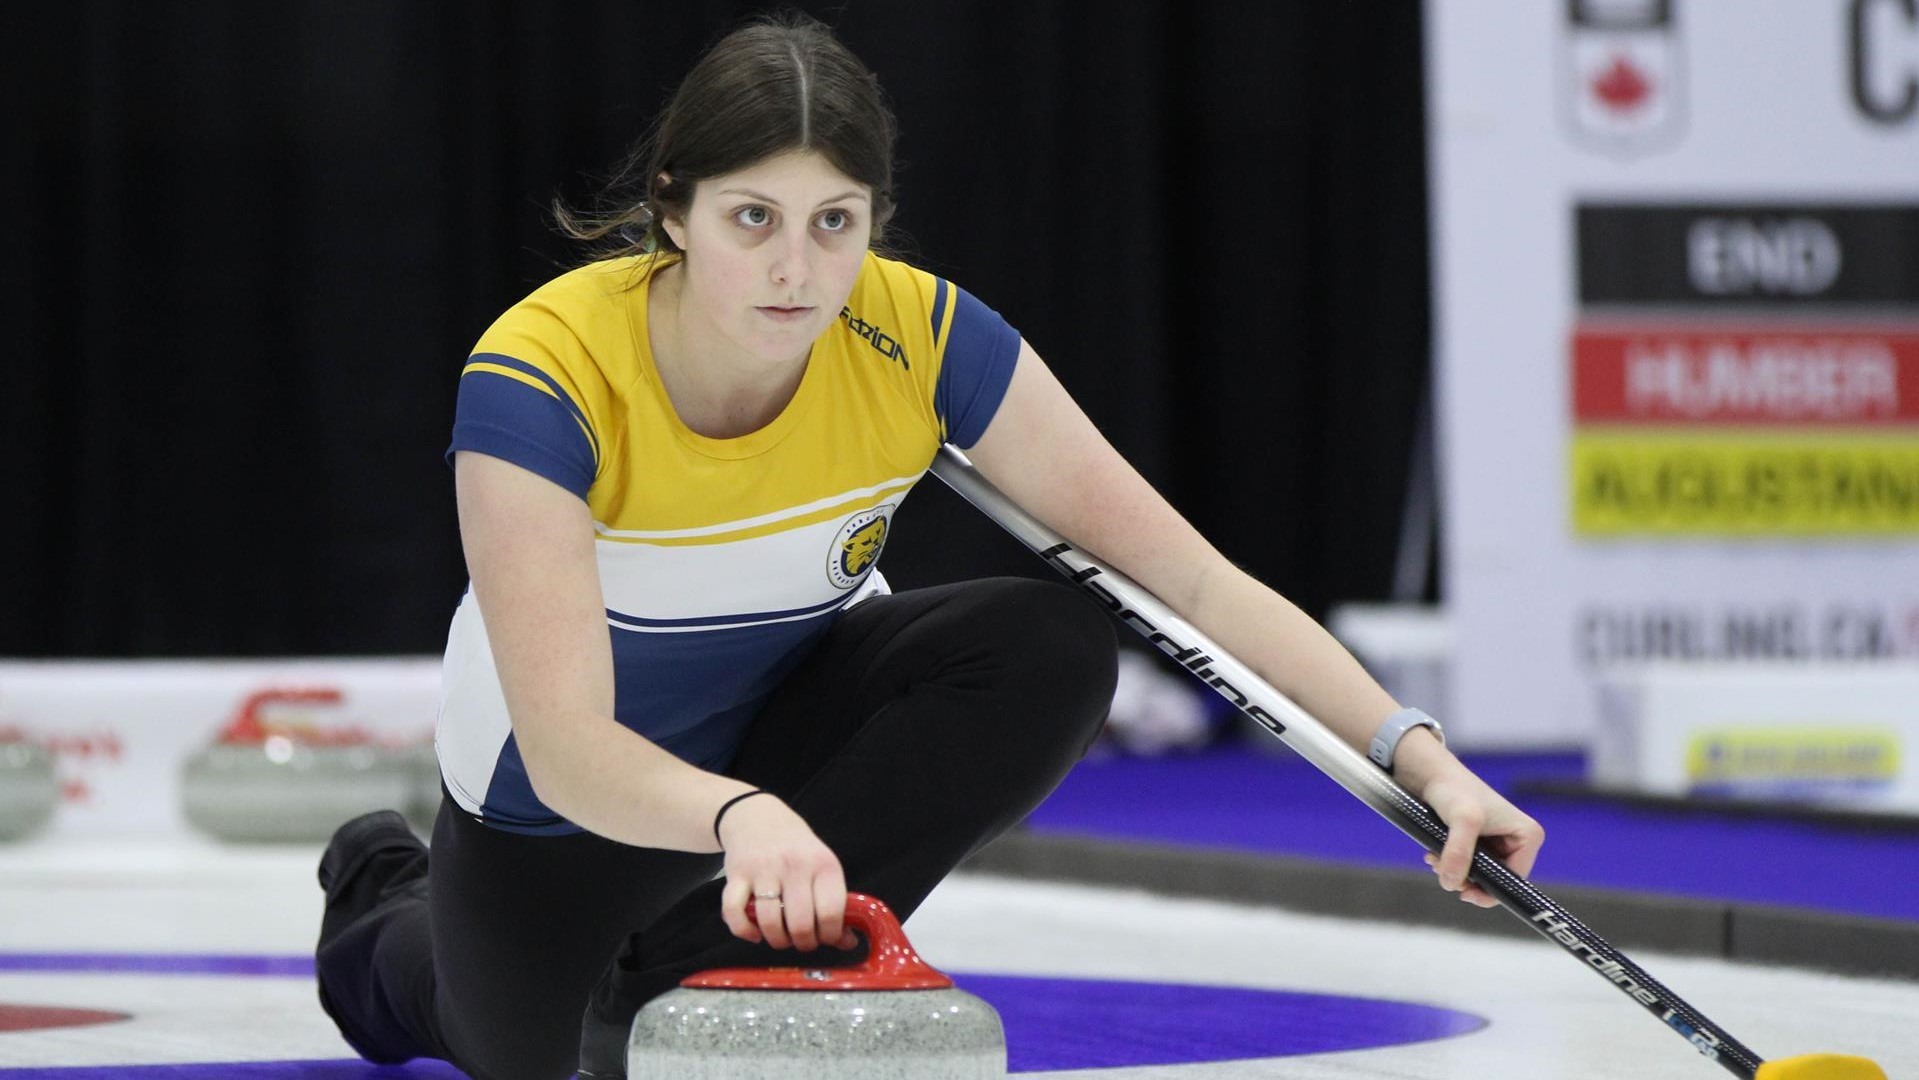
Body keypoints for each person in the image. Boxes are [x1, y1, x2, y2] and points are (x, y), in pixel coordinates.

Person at [312, 13, 1545, 1080]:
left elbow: (1190, 581)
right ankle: (382, 891)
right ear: (672, 210)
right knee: (484, 1034)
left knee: (1047, 645)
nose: (797, 269)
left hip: (773, 755)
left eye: (834, 222)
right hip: (558, 810)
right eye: (753, 218)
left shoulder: (921, 335)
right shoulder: (543, 373)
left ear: (875, 223)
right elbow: (572, 750)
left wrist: (1421, 762)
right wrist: (741, 816)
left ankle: (696, 974)